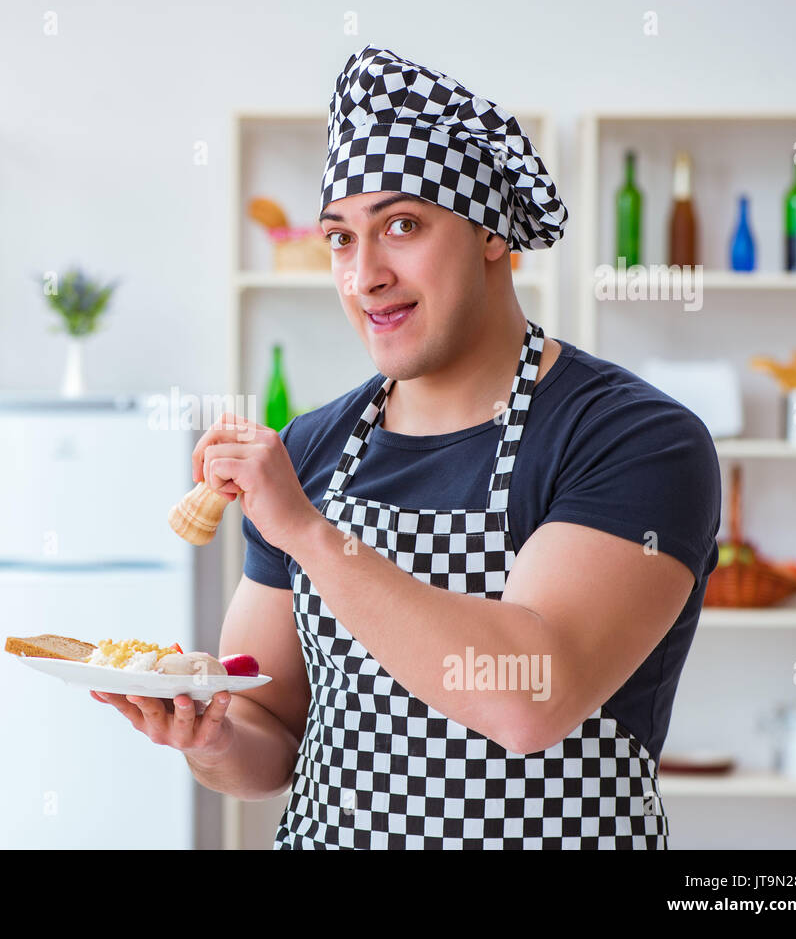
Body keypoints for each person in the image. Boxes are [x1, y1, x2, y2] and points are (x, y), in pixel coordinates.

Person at [91, 45, 721, 848]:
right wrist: (208, 738)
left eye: (402, 226)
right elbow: (266, 727)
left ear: (491, 233)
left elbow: (526, 697)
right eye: (341, 240)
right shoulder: (312, 450)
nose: (365, 277)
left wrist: (311, 535)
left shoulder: (633, 438)